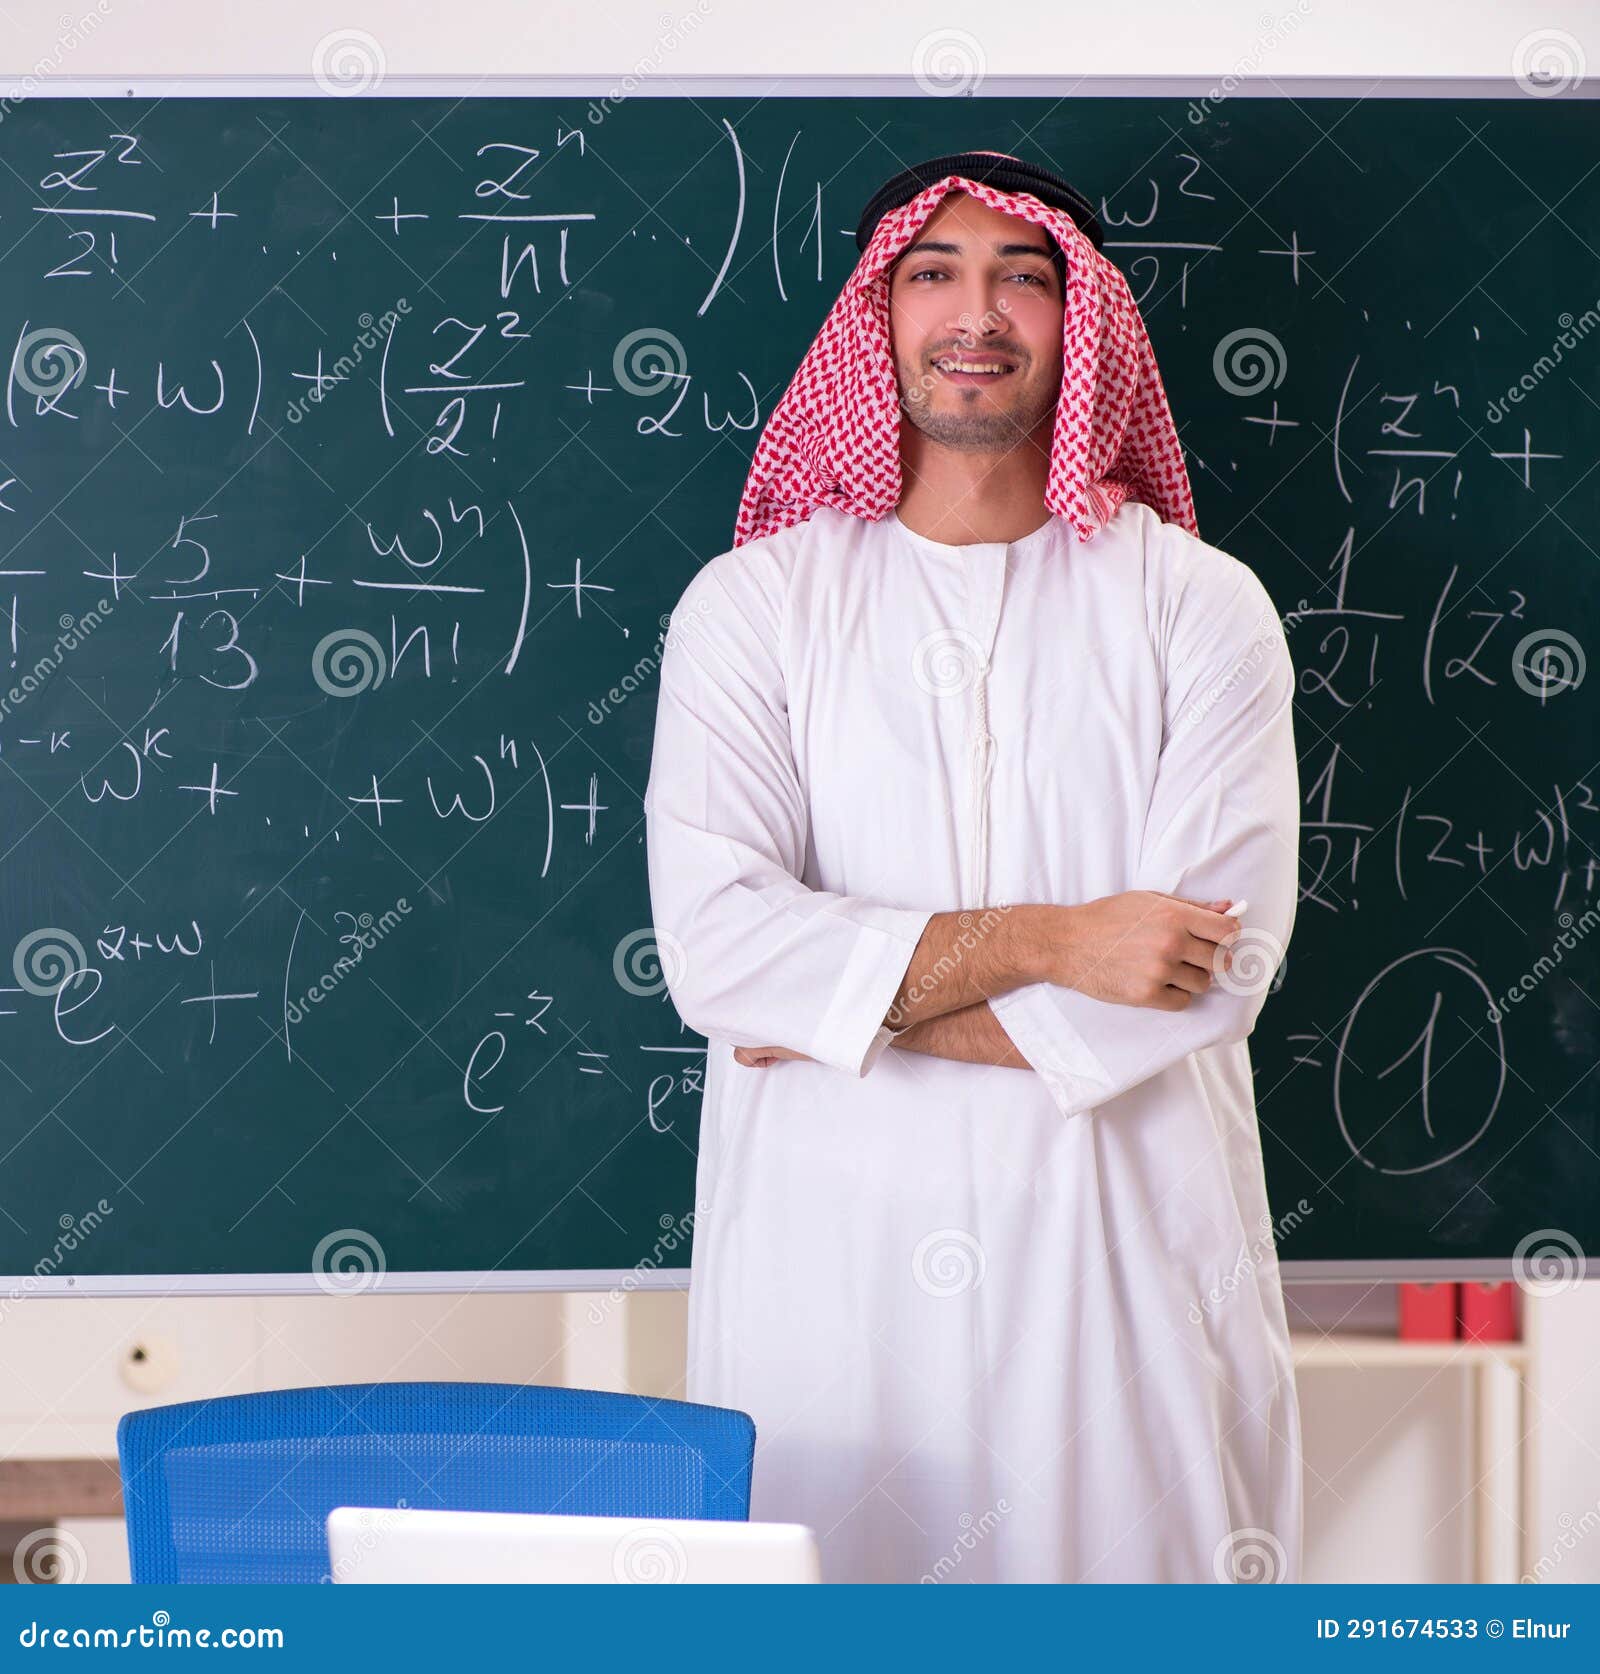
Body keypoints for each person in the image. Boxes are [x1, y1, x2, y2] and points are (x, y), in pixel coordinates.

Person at [643, 150, 1302, 1584]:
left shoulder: (1200, 608)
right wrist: (1066, 942)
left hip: (1125, 1292)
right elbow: (719, 956)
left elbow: (1201, 981)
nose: (976, 312)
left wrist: (842, 1004)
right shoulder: (753, 610)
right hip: (834, 1304)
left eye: (1023, 275)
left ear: (1086, 321)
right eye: (932, 273)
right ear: (877, 319)